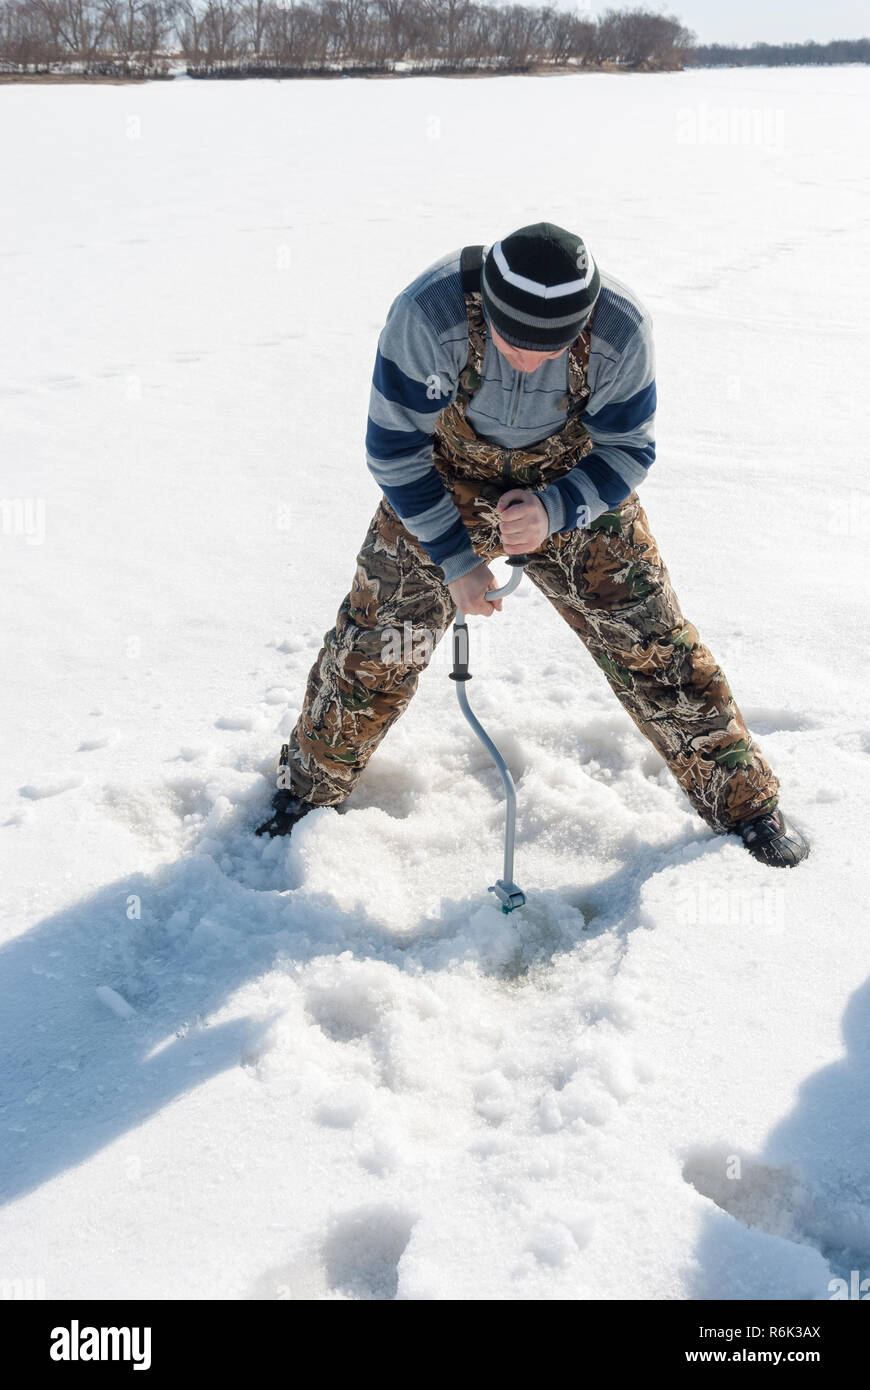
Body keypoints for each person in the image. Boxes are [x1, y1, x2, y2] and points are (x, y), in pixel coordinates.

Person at [257, 222, 808, 869]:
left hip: (570, 482)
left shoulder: (620, 329)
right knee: (378, 643)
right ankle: (308, 794)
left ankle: (745, 804)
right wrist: (456, 559)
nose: (528, 359)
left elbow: (630, 448)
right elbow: (394, 449)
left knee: (652, 643)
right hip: (442, 481)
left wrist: (557, 509)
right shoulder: (428, 314)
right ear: (488, 307)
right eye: (513, 341)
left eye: (551, 347)